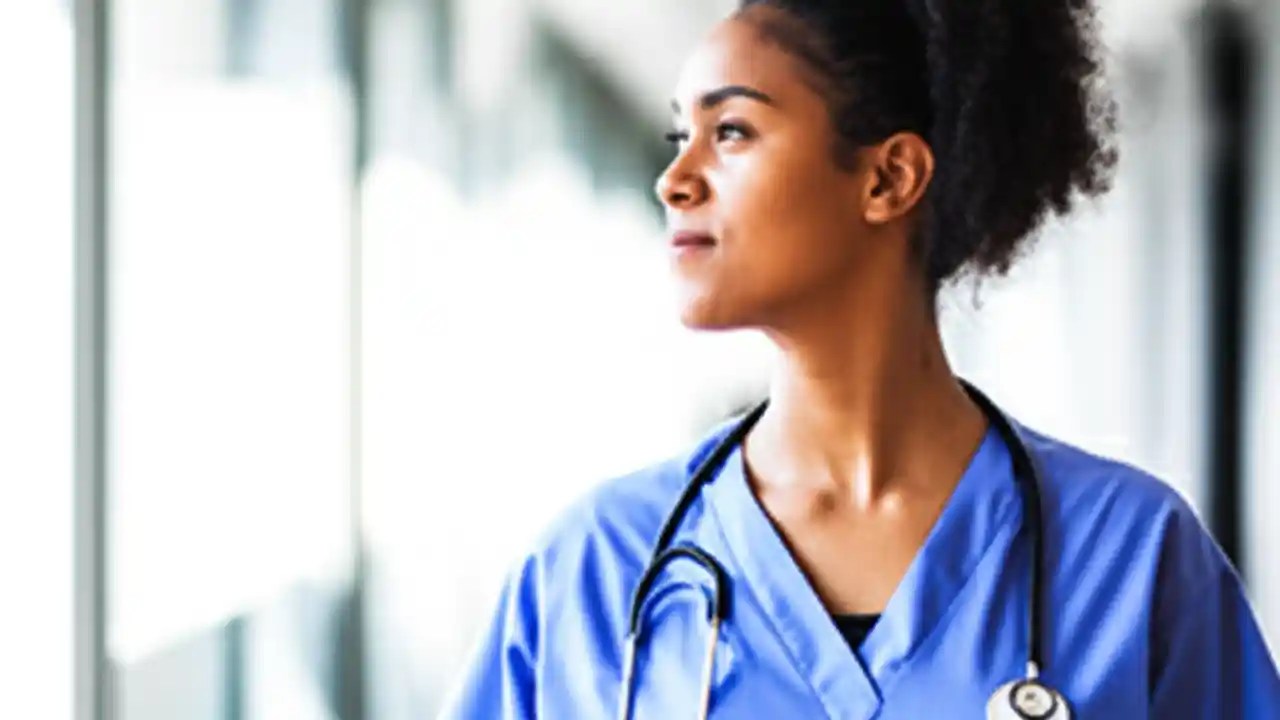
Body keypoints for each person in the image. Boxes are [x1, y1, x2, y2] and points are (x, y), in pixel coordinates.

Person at [438, 0, 1280, 717]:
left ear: (889, 178)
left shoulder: (1131, 561)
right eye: (678, 134)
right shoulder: (594, 571)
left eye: (730, 132)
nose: (675, 180)